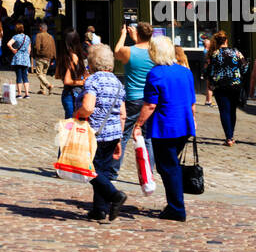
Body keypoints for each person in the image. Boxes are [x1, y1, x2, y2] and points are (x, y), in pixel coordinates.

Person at [134, 35, 197, 222]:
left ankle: (176, 207)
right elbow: (192, 104)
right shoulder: (185, 72)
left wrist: (138, 125)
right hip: (184, 125)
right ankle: (175, 203)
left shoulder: (156, 73)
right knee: (170, 165)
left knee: (168, 167)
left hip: (165, 127)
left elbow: (150, 105)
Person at [74, 43, 126, 222]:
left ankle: (115, 195)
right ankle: (100, 209)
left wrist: (77, 114)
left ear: (92, 62)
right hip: (113, 133)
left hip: (95, 133)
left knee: (88, 169)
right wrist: (119, 139)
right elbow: (122, 114)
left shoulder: (93, 80)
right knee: (102, 170)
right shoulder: (118, 83)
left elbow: (88, 107)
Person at [114, 19, 154, 173]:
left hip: (132, 97)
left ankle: (113, 170)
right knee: (147, 138)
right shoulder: (154, 52)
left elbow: (117, 51)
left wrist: (124, 34)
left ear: (137, 33)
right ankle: (148, 172)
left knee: (123, 135)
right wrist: (137, 38)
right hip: (150, 98)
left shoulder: (129, 51)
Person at [208, 31, 248, 146]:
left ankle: (229, 137)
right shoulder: (236, 52)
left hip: (220, 85)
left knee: (224, 111)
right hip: (235, 84)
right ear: (226, 41)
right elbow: (245, 66)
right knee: (232, 110)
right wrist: (238, 73)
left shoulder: (214, 54)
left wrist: (211, 81)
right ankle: (231, 135)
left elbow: (210, 70)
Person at [57, 30, 87, 120]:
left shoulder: (63, 56)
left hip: (67, 94)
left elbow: (57, 75)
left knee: (71, 124)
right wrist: (82, 82)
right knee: (72, 124)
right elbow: (67, 81)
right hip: (73, 94)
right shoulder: (74, 57)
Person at [8, 20, 32, 99]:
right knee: (25, 76)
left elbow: (8, 44)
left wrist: (13, 49)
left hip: (18, 58)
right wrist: (27, 55)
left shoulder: (16, 37)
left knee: (19, 76)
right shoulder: (27, 37)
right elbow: (29, 49)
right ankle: (27, 93)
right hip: (25, 58)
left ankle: (19, 93)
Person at [32, 20, 56, 95]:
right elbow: (54, 48)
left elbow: (37, 47)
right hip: (48, 58)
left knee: (39, 74)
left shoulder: (39, 35)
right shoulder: (51, 37)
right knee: (44, 74)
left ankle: (48, 85)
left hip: (40, 57)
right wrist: (53, 58)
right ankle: (42, 89)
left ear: (40, 28)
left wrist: (35, 54)